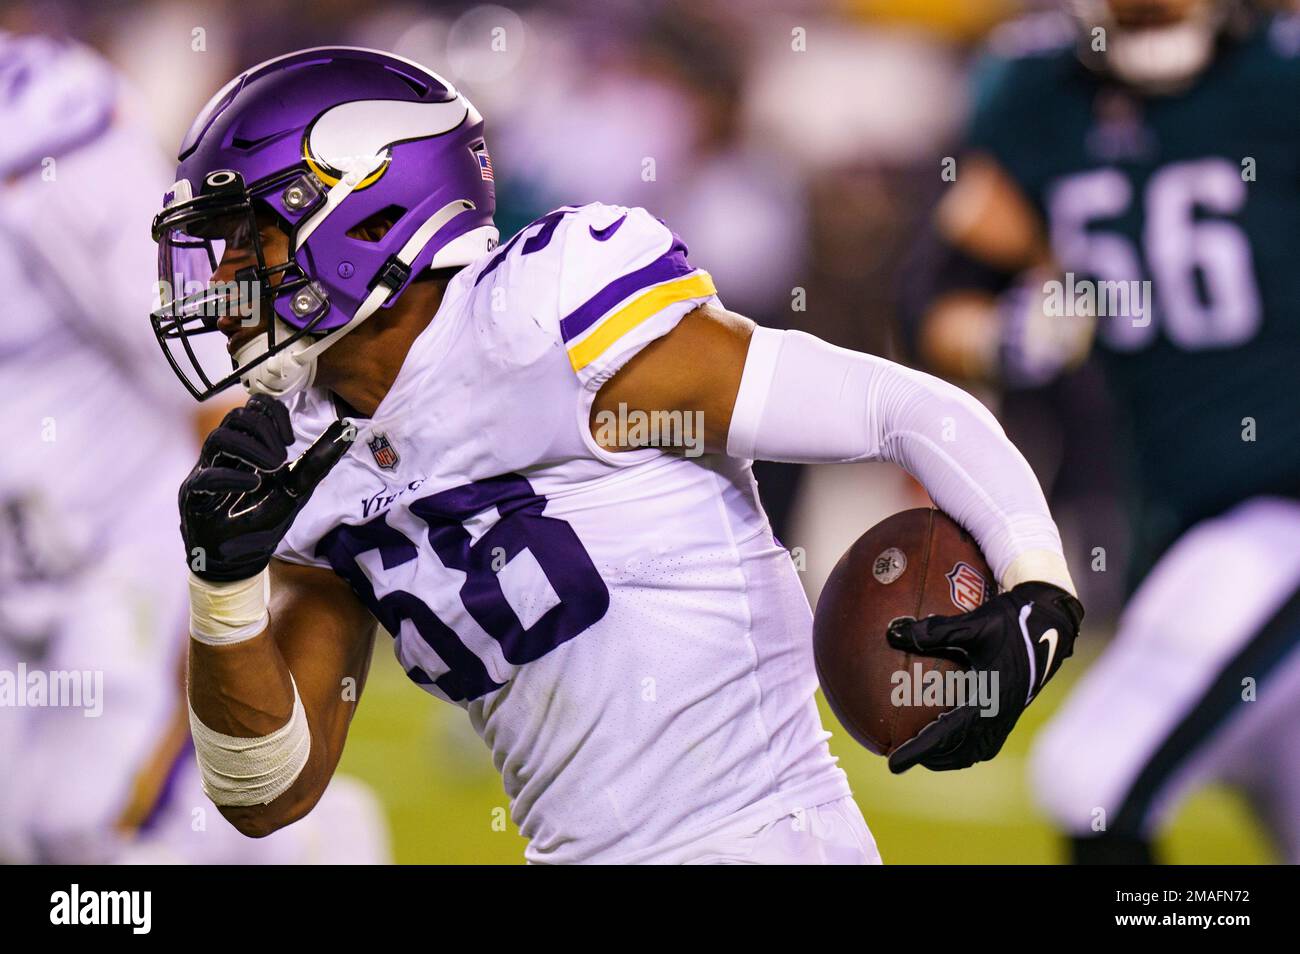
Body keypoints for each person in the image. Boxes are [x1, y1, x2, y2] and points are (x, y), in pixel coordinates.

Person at [154, 46, 1083, 865]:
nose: (226, 277)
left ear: (364, 217)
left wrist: (1037, 584)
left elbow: (896, 405)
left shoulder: (545, 322)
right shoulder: (310, 457)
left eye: (250, 237)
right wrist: (222, 590)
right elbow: (267, 793)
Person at [905, 0, 1300, 862]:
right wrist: (1007, 335)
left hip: (1281, 519)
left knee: (1092, 783)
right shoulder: (1040, 89)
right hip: (1181, 525)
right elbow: (936, 302)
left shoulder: (1281, 76)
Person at [0, 30, 387, 864]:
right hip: (13, 574)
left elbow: (199, 363)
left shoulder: (49, 122)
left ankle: (319, 850)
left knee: (101, 825)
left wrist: (240, 560)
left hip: (112, 552)